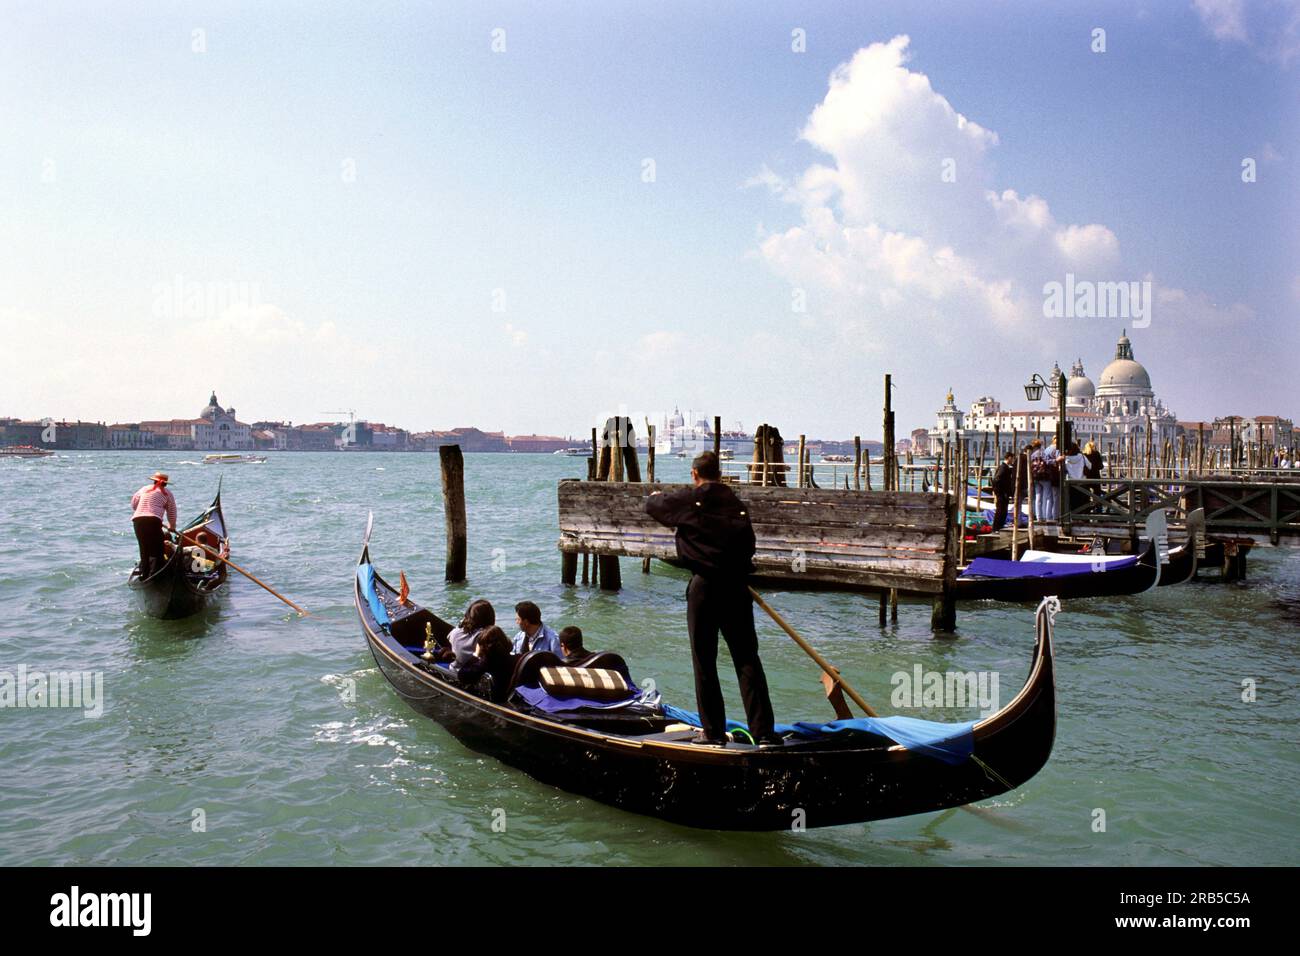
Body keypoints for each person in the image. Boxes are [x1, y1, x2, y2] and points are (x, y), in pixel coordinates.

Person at [645, 450, 780, 748]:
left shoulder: (691, 499)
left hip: (705, 587)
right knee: (747, 660)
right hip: (736, 587)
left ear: (695, 474)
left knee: (704, 662)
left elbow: (653, 505)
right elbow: (749, 546)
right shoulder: (736, 504)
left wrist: (655, 493)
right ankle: (765, 733)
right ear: (720, 474)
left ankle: (714, 733)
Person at [131, 472, 177, 576]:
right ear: (165, 484)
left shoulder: (143, 489)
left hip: (138, 519)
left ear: (154, 481)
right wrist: (172, 527)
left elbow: (134, 504)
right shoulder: (167, 493)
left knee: (143, 547)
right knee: (158, 548)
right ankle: (156, 572)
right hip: (153, 521)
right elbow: (172, 511)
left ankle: (145, 573)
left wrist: (143, 511)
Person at [452, 626, 514, 701]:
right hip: (508, 694)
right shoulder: (510, 658)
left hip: (497, 699)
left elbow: (462, 675)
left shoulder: (486, 663)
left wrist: (475, 655)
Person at [442, 599, 496, 665]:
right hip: (469, 673)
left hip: (453, 669)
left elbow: (449, 638)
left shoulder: (456, 631)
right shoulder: (483, 636)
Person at [991, 452, 1016, 532]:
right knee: (1000, 510)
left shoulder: (1004, 467)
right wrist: (999, 492)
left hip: (1003, 493)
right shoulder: (1003, 468)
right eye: (1012, 458)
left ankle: (1000, 526)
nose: (1013, 460)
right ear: (1009, 458)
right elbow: (996, 480)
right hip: (1002, 493)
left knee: (1003, 510)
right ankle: (996, 528)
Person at [1063, 441, 1086, 516]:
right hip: (1081, 482)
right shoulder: (1082, 456)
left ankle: (1072, 516)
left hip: (1070, 482)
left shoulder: (1065, 458)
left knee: (1072, 501)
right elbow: (1090, 466)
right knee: (1081, 502)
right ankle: (1080, 517)